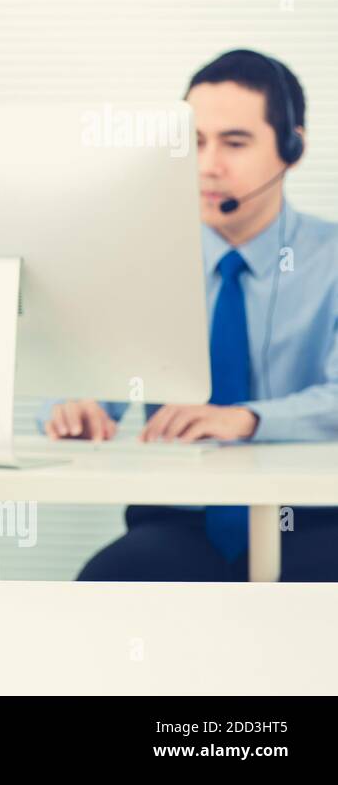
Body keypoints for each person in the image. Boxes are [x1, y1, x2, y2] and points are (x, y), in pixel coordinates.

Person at [39, 49, 338, 581]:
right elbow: (88, 379)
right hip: (180, 519)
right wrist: (74, 409)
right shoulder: (142, 257)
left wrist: (244, 419)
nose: (207, 166)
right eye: (194, 142)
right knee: (104, 588)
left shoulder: (329, 259)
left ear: (292, 148)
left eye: (234, 143)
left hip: (313, 519)